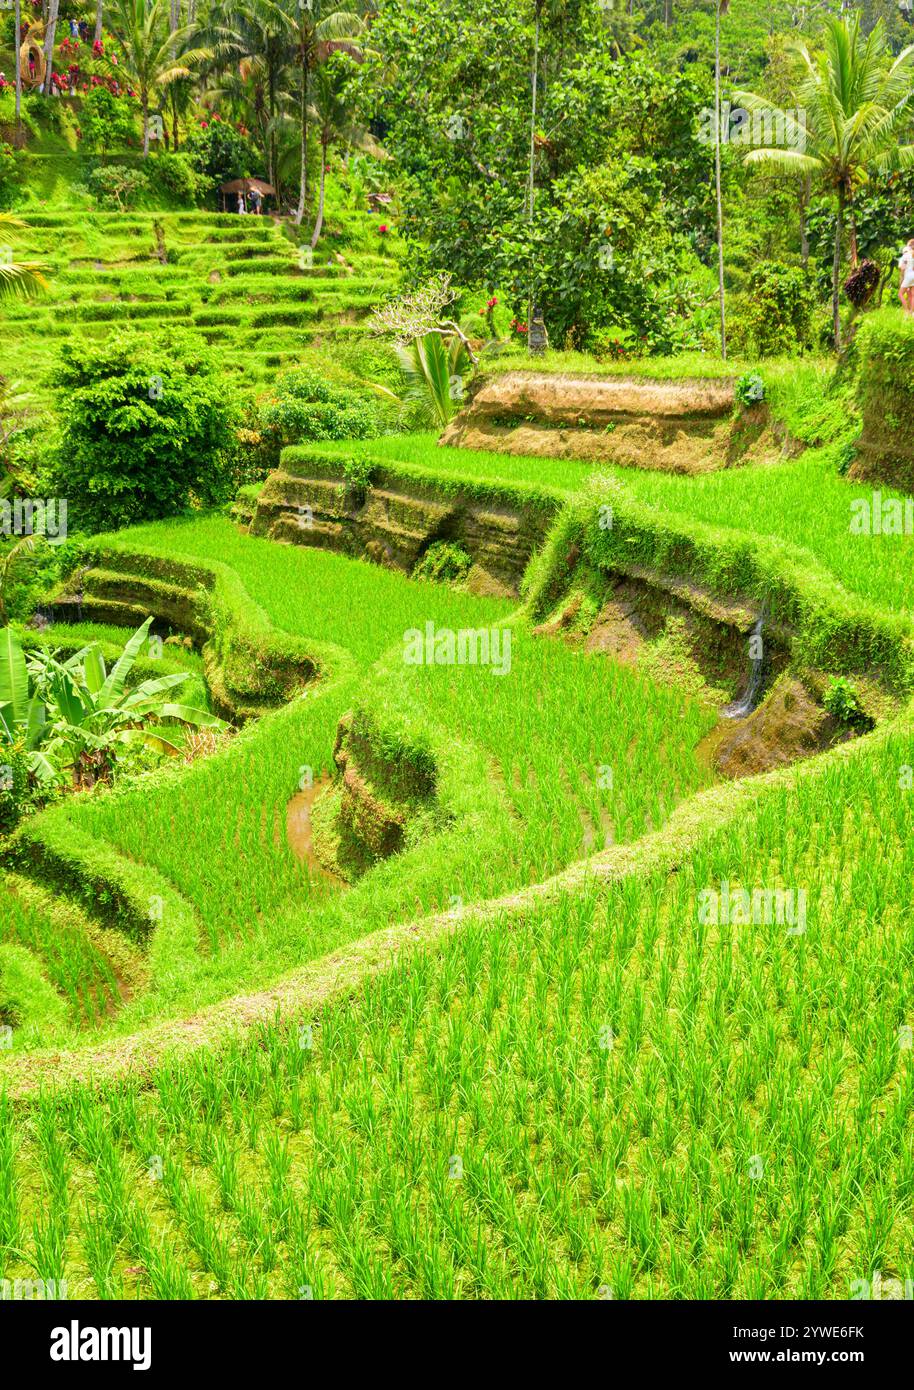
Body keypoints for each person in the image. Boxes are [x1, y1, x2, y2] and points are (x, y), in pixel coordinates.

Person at [899, 239, 914, 315]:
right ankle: (912, 312)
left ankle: (906, 311)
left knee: (900, 294)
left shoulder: (906, 255)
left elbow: (902, 268)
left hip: (908, 276)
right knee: (912, 295)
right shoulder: (912, 255)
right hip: (913, 275)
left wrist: (901, 276)